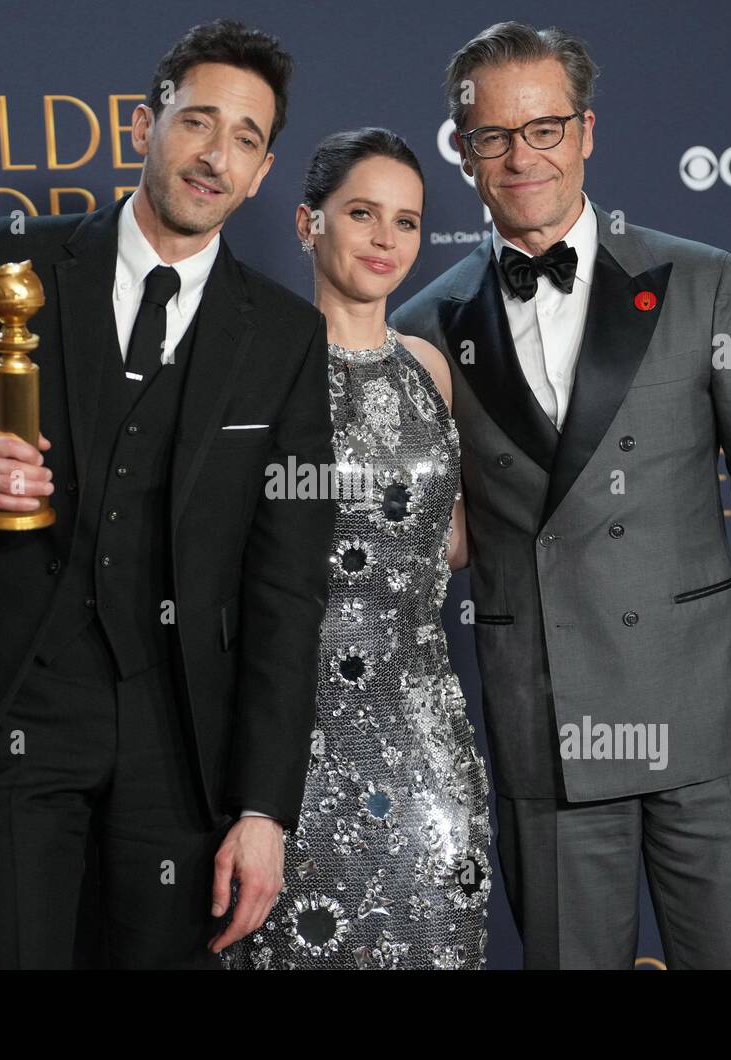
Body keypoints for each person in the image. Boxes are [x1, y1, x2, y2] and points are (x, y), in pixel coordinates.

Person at [0, 19, 337, 969]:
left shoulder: (282, 335)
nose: (215, 156)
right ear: (147, 124)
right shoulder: (15, 265)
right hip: (17, 705)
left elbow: (286, 589)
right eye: (199, 122)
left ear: (265, 172)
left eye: (244, 139)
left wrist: (267, 806)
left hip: (182, 735)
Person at [390, 22, 731, 969]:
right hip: (541, 725)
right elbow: (431, 532)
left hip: (704, 716)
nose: (522, 157)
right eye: (492, 137)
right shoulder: (422, 325)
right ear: (463, 151)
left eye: (544, 128)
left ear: (587, 133)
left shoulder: (705, 283)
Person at [221, 129, 491, 971]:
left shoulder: (429, 369)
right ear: (309, 223)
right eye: (362, 214)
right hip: (293, 744)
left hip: (426, 736)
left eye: (406, 222)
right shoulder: (254, 368)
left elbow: (445, 544)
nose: (385, 240)